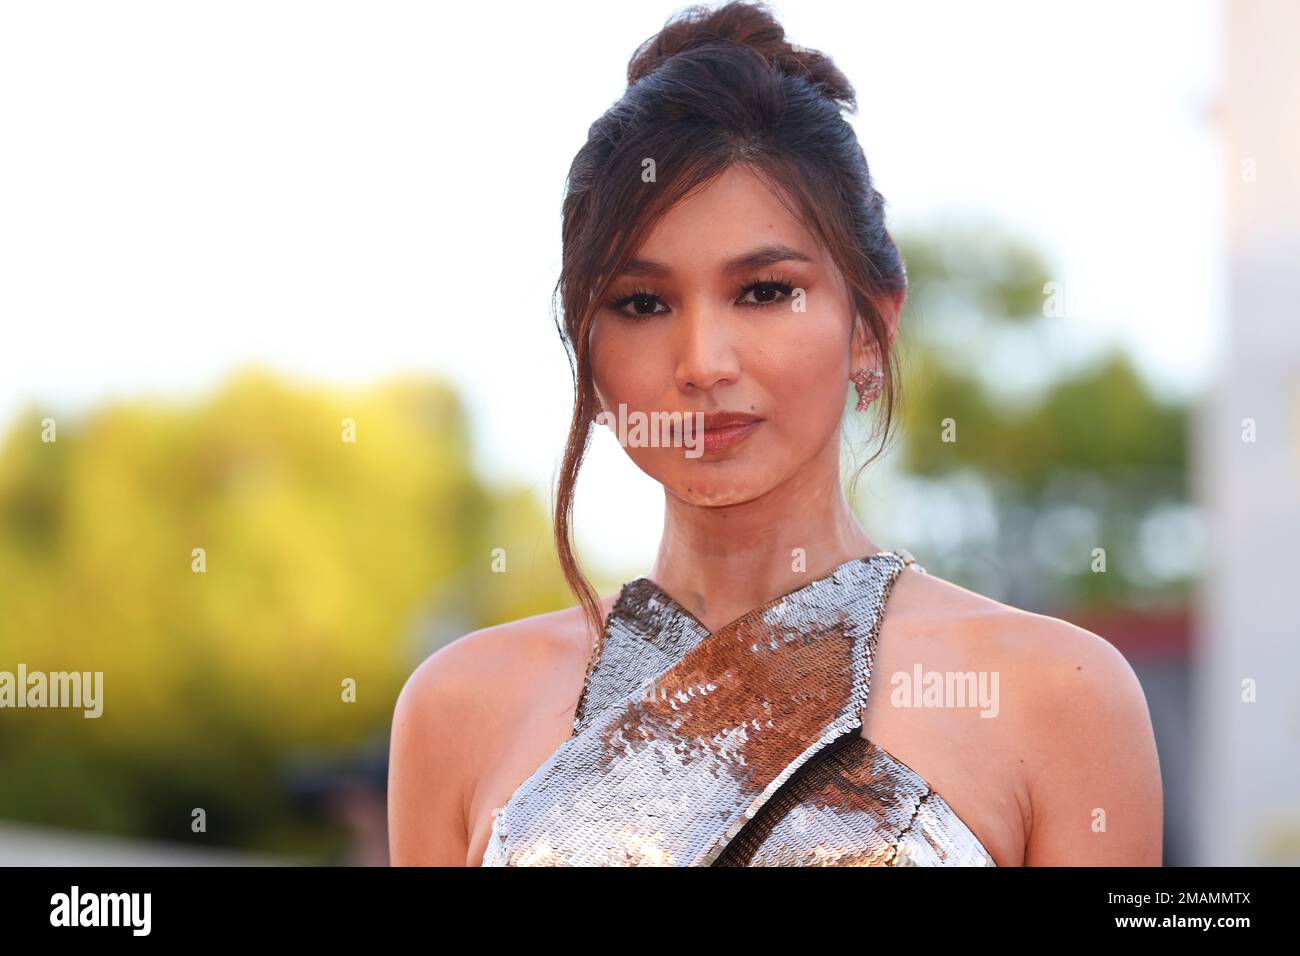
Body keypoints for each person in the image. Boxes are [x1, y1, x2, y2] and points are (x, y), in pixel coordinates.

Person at [388, 0, 1163, 867]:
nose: (702, 361)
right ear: (589, 351)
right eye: (642, 304)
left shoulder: (1059, 697)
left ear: (869, 326)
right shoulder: (459, 708)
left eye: (763, 291)